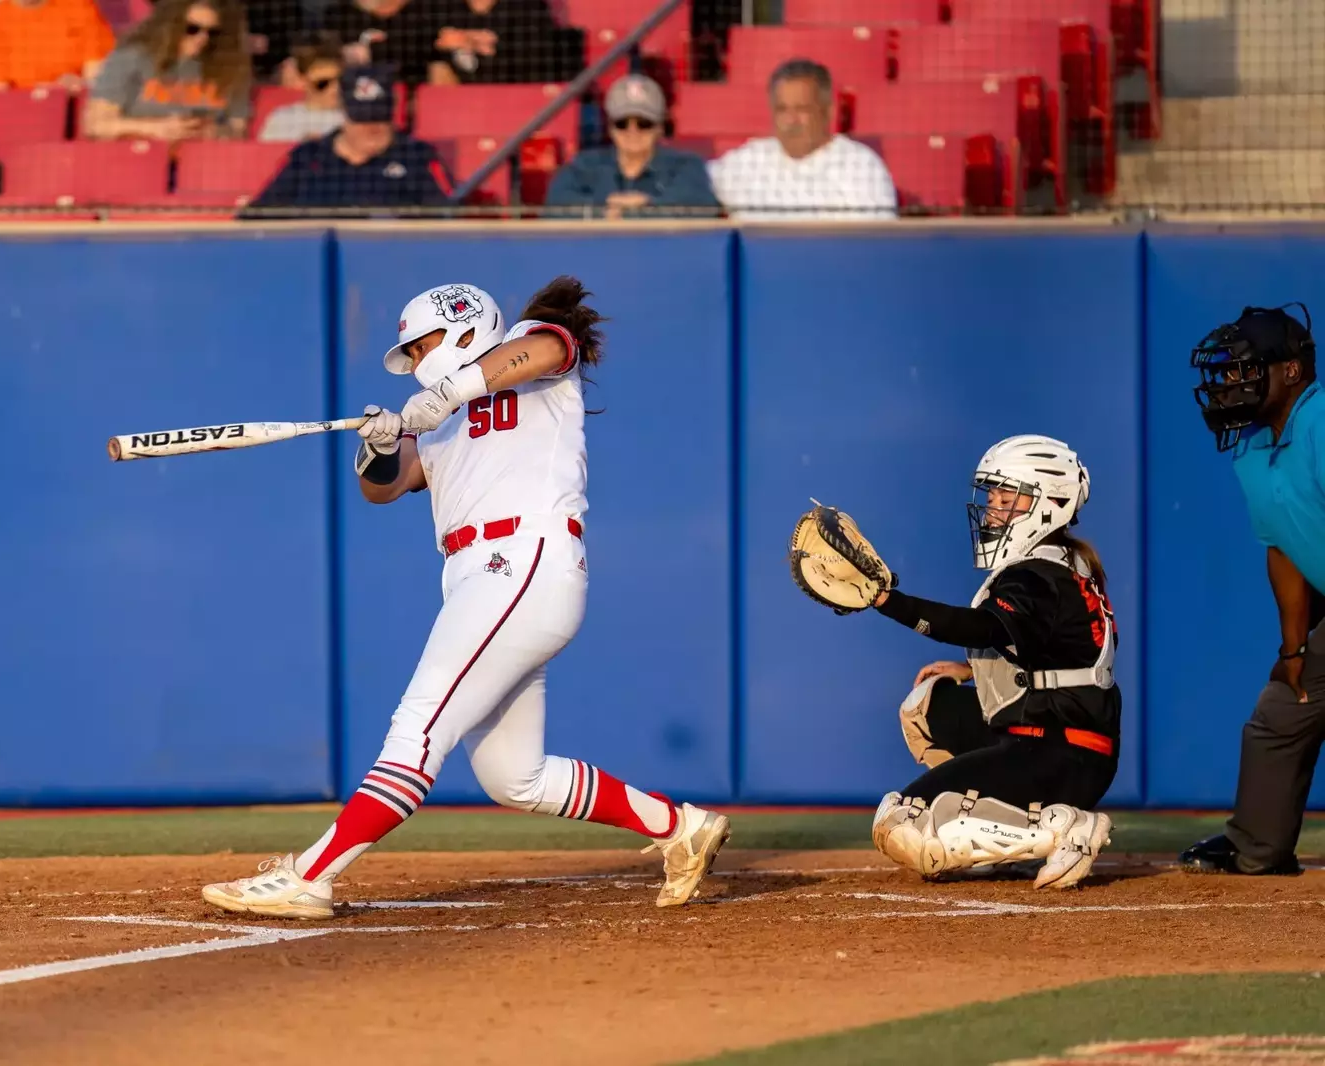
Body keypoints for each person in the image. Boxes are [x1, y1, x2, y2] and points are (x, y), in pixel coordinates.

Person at [203, 278, 732, 918]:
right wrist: (379, 446)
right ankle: (680, 826)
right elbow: (387, 489)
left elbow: (547, 349)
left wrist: (448, 393)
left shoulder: (523, 354)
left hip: (523, 559)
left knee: (420, 726)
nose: (418, 362)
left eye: (423, 347)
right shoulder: (438, 421)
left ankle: (310, 875)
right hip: (477, 573)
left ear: (461, 330)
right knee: (514, 777)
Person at [790, 436, 1120, 889]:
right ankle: (1002, 832)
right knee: (925, 705)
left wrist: (889, 601)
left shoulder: (1038, 575)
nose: (993, 509)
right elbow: (1059, 651)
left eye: (1008, 498)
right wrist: (970, 671)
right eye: (993, 497)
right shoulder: (1061, 563)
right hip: (1058, 740)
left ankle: (1059, 829)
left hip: (1057, 753)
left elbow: (982, 627)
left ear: (1051, 503)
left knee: (899, 824)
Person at [1181, 304, 1324, 877]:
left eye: (1244, 370)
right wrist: (1293, 650)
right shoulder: (1253, 449)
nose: (1230, 384)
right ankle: (1258, 847)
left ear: (1291, 371)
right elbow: (1284, 547)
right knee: (1283, 711)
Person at [245, 63, 451, 214]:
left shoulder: (416, 157)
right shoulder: (308, 159)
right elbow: (256, 219)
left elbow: (449, 224)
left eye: (379, 117)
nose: (371, 128)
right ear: (344, 113)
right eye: (362, 118)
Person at [708, 58, 896, 222]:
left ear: (828, 112)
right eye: (782, 109)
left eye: (801, 109)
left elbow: (876, 244)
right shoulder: (748, 161)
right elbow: (693, 181)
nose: (790, 121)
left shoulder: (860, 167)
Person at [545, 73, 718, 219]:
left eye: (644, 123)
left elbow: (700, 207)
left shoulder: (685, 165)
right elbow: (555, 206)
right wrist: (605, 210)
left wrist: (643, 207)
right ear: (610, 127)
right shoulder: (583, 165)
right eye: (622, 123)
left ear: (660, 127)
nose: (632, 131)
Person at [84, 0, 253, 141]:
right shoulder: (131, 58)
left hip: (203, 165)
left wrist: (213, 133)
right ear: (171, 25)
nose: (202, 38)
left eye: (212, 32)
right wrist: (154, 129)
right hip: (138, 158)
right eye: (192, 29)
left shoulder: (231, 67)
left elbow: (238, 129)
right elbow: (96, 124)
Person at [0, 0, 116, 91]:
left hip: (74, 112)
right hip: (22, 118)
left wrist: (80, 85)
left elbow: (99, 78)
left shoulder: (80, 7)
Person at [427, 0, 568, 85]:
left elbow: (534, 64)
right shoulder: (442, 7)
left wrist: (468, 40)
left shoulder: (527, 6)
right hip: (460, 106)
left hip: (513, 101)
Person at [322, 0, 447, 84]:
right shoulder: (338, 14)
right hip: (355, 104)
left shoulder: (428, 10)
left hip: (413, 102)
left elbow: (440, 70)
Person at [259, 33, 345, 142]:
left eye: (340, 80)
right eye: (323, 83)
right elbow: (265, 156)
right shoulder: (283, 119)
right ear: (302, 81)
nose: (334, 89)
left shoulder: (355, 119)